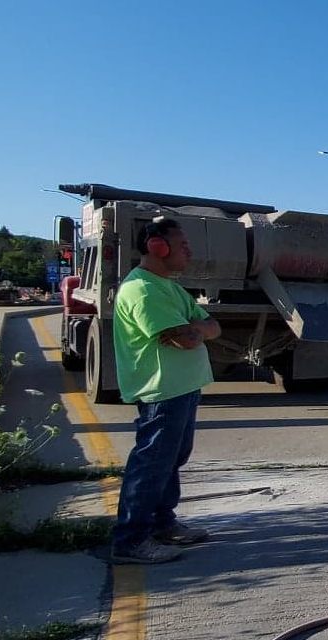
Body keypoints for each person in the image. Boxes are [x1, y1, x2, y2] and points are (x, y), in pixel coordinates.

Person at [110, 217, 222, 563]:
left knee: (170, 461)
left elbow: (213, 327)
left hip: (183, 390)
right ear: (158, 246)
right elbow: (186, 339)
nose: (189, 251)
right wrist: (194, 329)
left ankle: (163, 524)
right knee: (152, 463)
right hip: (162, 392)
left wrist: (195, 329)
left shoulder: (169, 287)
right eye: (183, 244)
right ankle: (130, 540)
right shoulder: (142, 289)